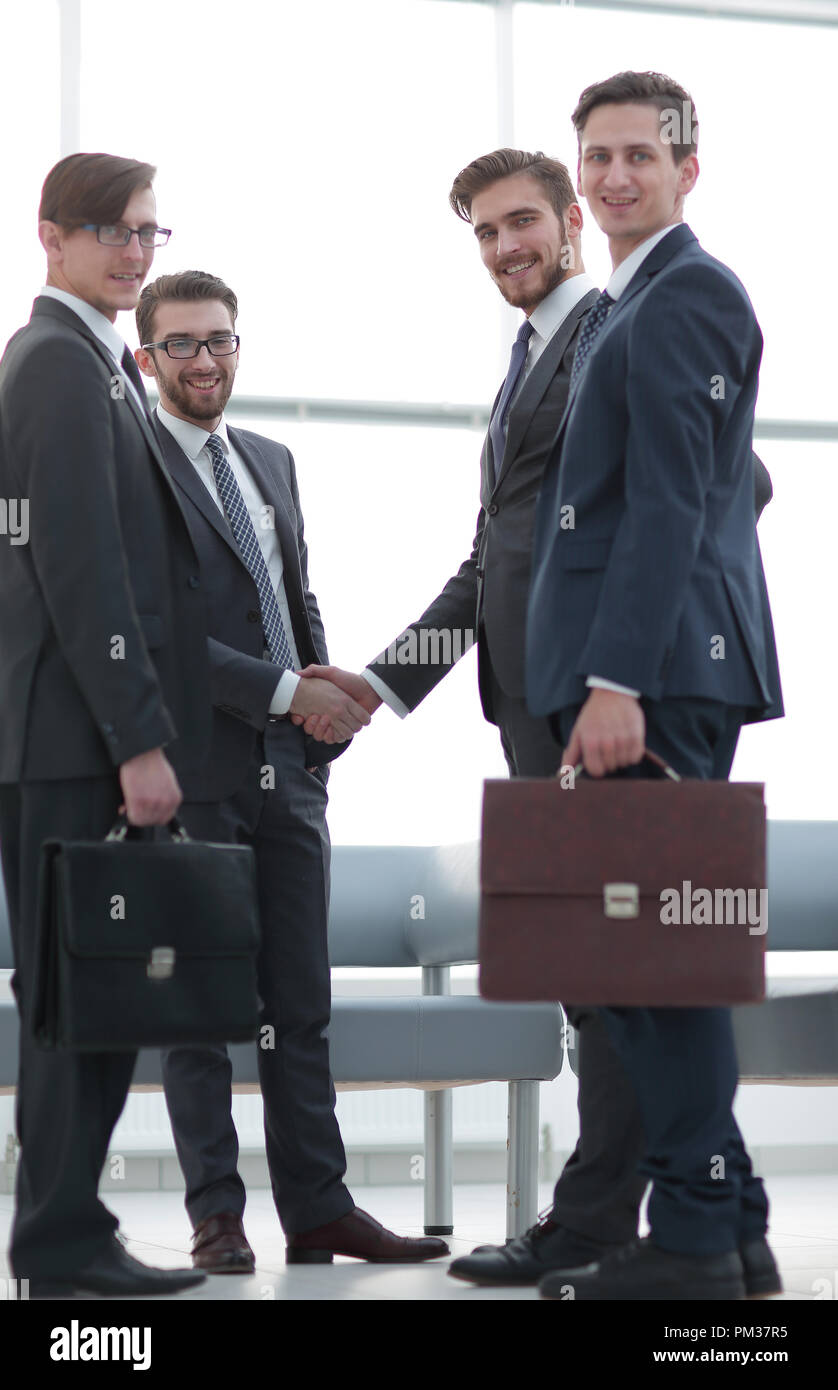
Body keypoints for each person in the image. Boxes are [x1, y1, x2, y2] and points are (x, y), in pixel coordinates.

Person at [292, 149, 774, 1283]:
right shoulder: (526, 363)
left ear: (569, 220)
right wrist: (383, 677)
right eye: (484, 233)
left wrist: (625, 662)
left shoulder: (623, 323)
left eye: (521, 223)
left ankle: (610, 1222)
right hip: (535, 702)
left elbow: (730, 482)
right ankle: (725, 1222)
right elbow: (491, 556)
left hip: (614, 696)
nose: (505, 248)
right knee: (603, 978)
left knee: (629, 978)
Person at [135, 271, 449, 1268]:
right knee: (198, 1004)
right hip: (193, 767)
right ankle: (216, 1216)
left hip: (291, 768)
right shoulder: (128, 464)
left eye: (218, 340)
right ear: (147, 359)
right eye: (180, 344)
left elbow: (292, 600)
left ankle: (317, 1208)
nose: (203, 359)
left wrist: (325, 716)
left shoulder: (270, 459)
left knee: (297, 1002)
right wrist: (284, 693)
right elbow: (159, 633)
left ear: (239, 346)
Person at [527, 71, 782, 1301]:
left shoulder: (686, 293)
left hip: (658, 677)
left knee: (648, 964)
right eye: (597, 157)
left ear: (688, 167)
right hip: (664, 666)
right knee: (652, 958)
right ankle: (729, 1226)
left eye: (640, 154)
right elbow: (715, 483)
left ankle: (690, 1242)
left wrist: (615, 677)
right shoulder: (645, 300)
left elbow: (677, 497)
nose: (616, 175)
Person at [0, 154, 210, 1297]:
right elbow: (80, 570)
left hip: (63, 736)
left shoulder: (94, 361)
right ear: (52, 237)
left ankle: (69, 1234)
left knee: (87, 995)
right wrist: (137, 739)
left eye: (147, 232)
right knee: (80, 997)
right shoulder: (58, 365)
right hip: (70, 743)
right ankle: (62, 1249)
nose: (135, 252)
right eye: (112, 232)